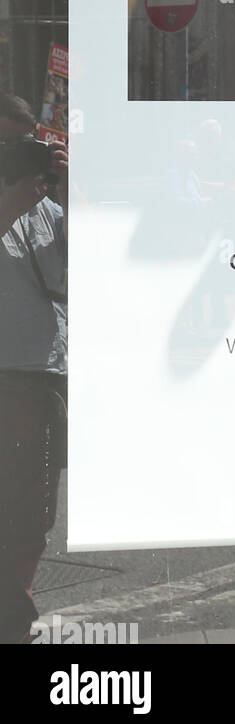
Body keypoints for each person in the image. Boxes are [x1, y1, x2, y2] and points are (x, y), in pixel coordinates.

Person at [0, 94, 68, 644]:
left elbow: (79, 270)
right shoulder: (20, 199)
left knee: (38, 504)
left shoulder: (47, 205)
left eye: (25, 142)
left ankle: (15, 600)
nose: (14, 151)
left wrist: (71, 190)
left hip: (46, 369)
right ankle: (13, 611)